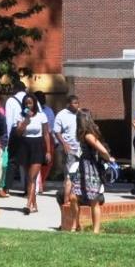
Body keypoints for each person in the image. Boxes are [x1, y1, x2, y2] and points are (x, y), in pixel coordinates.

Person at [65, 105, 115, 232]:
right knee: (73, 197)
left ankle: (95, 231)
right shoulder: (83, 134)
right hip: (83, 167)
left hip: (91, 169)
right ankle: (75, 225)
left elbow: (102, 149)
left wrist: (109, 159)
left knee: (94, 200)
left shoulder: (88, 135)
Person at [17, 93, 53, 214]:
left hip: (37, 146)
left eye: (30, 103)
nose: (28, 105)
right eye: (26, 103)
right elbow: (18, 133)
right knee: (29, 177)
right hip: (25, 146)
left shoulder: (42, 116)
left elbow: (46, 134)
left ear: (34, 103)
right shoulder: (21, 116)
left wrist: (48, 151)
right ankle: (35, 204)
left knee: (32, 177)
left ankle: (28, 205)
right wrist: (26, 120)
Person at [52, 92, 83, 229]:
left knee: (78, 178)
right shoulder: (61, 115)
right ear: (68, 104)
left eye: (78, 103)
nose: (77, 105)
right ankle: (66, 202)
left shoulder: (80, 114)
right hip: (69, 149)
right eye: (74, 103)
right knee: (69, 177)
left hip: (80, 149)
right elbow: (56, 131)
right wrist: (64, 144)